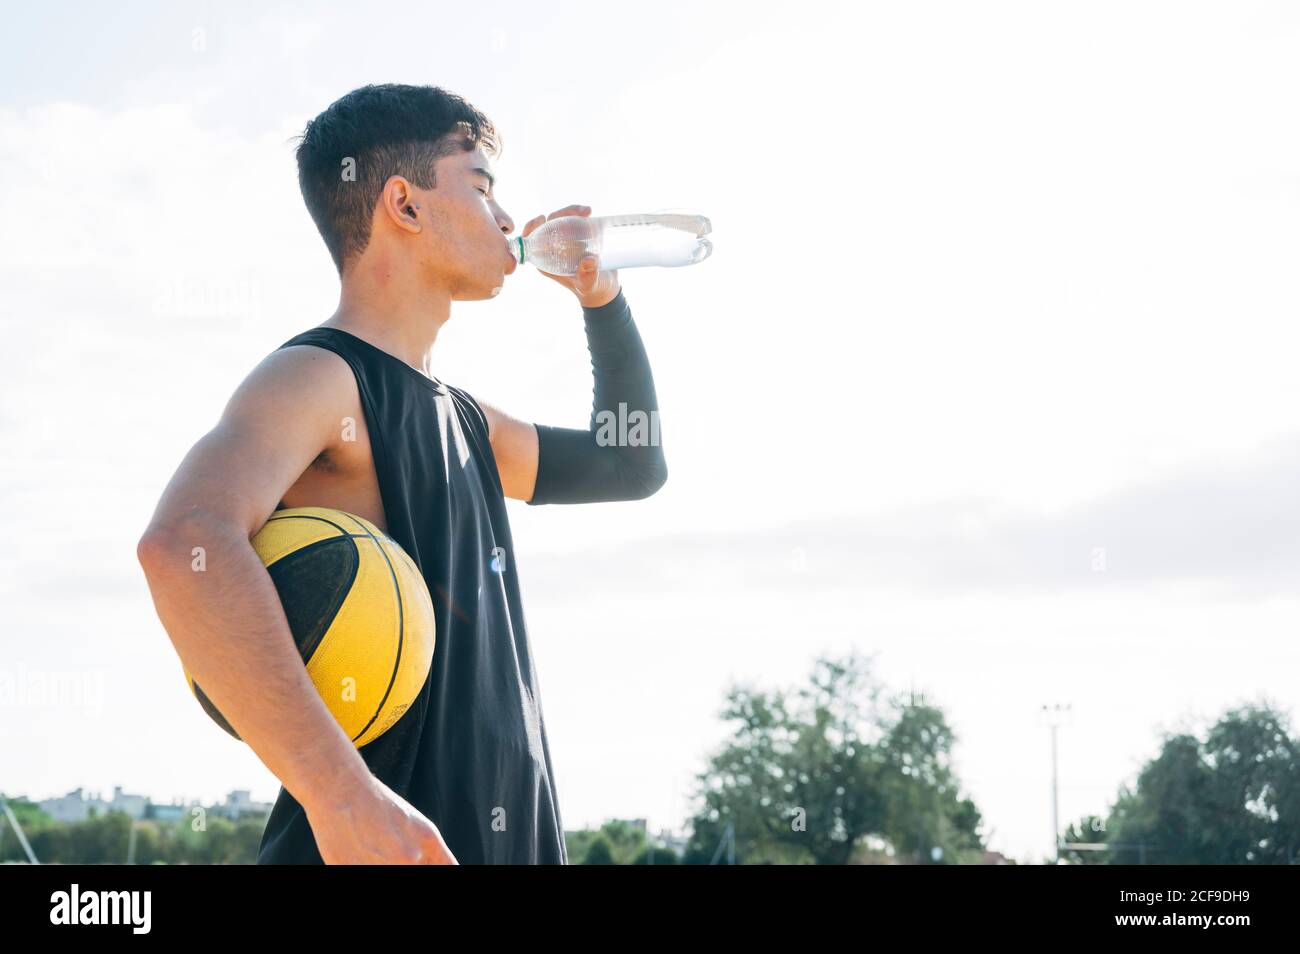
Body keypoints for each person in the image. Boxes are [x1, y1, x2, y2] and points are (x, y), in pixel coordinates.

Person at [136, 83, 667, 864]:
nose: (509, 220)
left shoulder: (468, 421)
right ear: (404, 205)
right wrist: (339, 795)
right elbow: (186, 541)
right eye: (482, 188)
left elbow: (630, 462)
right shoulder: (320, 376)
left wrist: (603, 299)